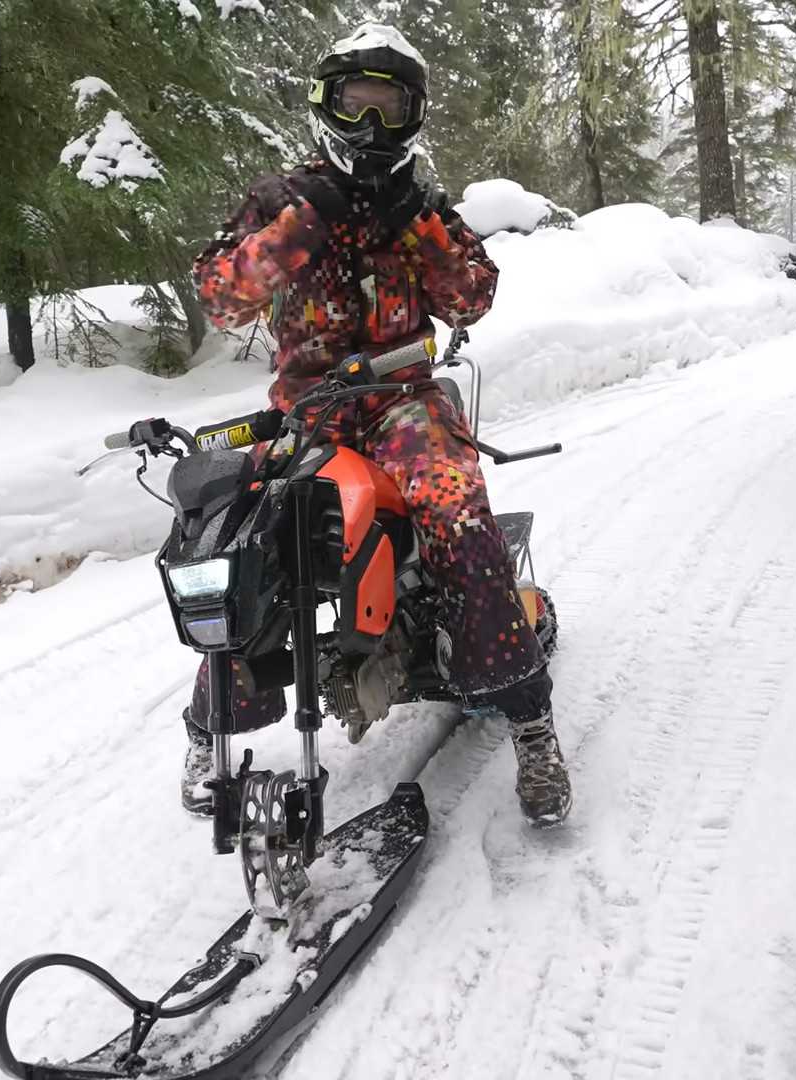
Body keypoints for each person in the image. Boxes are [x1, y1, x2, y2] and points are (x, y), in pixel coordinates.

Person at [178, 23, 571, 827]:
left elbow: (471, 299)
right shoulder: (280, 199)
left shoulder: (424, 205)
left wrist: (420, 225)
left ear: (412, 114)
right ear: (327, 105)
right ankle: (211, 726)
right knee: (239, 538)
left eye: (387, 109)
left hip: (403, 399)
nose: (370, 128)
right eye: (356, 106)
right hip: (307, 407)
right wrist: (299, 225)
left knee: (457, 512)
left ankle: (529, 716)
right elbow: (220, 297)